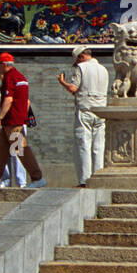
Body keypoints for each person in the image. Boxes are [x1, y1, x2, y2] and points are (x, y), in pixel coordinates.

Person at [0, 53, 45, 188]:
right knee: (0, 152)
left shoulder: (10, 78)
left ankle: (37, 178)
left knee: (20, 150)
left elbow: (8, 99)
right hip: (10, 123)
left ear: (5, 64)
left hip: (13, 123)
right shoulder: (20, 77)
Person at [57, 45, 108, 186]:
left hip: (85, 110)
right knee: (99, 146)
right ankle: (98, 178)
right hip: (101, 111)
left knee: (83, 145)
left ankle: (85, 180)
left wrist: (63, 83)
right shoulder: (104, 69)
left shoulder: (81, 68)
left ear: (81, 57)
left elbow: (74, 88)